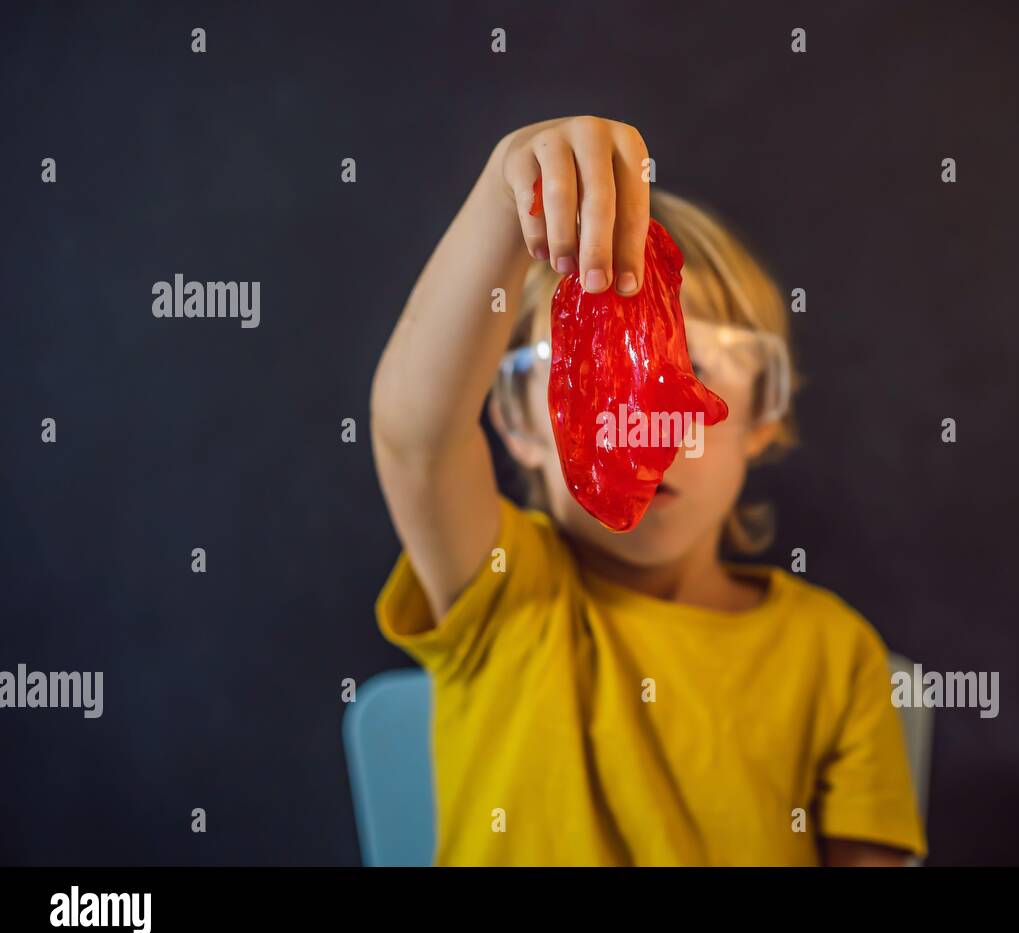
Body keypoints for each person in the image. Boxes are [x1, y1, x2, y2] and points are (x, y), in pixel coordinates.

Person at [370, 116, 927, 865]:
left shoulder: (835, 655)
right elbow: (415, 440)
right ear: (518, 421)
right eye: (596, 371)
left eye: (691, 369)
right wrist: (511, 196)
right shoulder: (505, 593)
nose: (646, 425)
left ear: (763, 417)